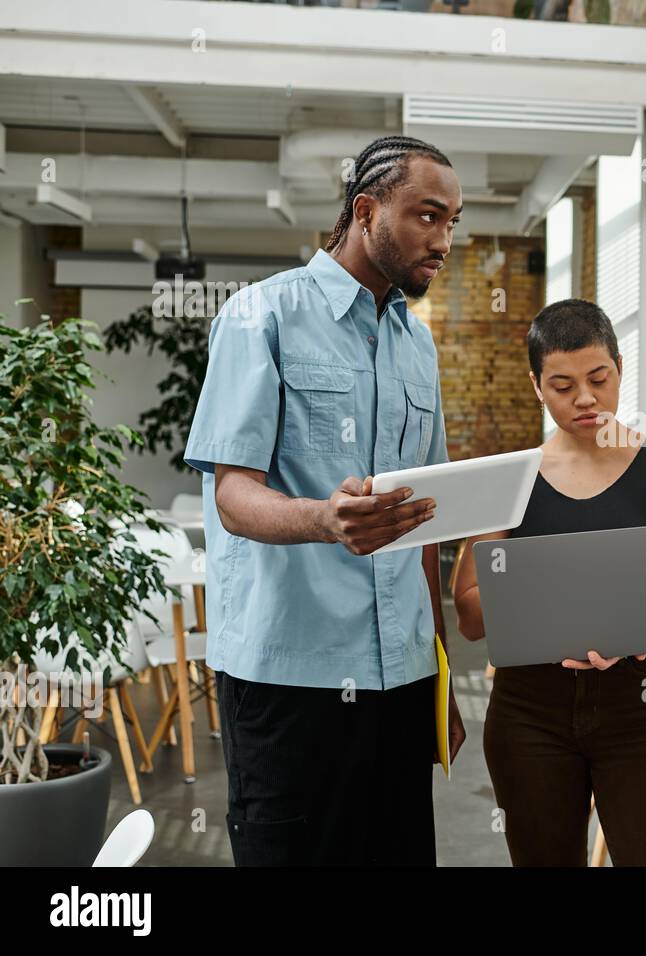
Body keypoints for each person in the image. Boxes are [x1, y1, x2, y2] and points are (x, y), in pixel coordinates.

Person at [183, 135, 466, 866]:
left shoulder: (418, 346)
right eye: (427, 217)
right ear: (366, 210)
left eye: (452, 223)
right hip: (290, 679)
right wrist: (323, 518)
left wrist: (440, 673)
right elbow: (233, 497)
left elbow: (428, 523)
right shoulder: (260, 316)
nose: (442, 241)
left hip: (401, 679)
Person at [451, 299, 646, 866]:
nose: (586, 399)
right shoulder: (507, 479)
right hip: (530, 714)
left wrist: (625, 630)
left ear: (620, 367)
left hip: (640, 708)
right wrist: (558, 615)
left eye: (599, 378)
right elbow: (470, 614)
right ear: (536, 385)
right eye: (563, 385)